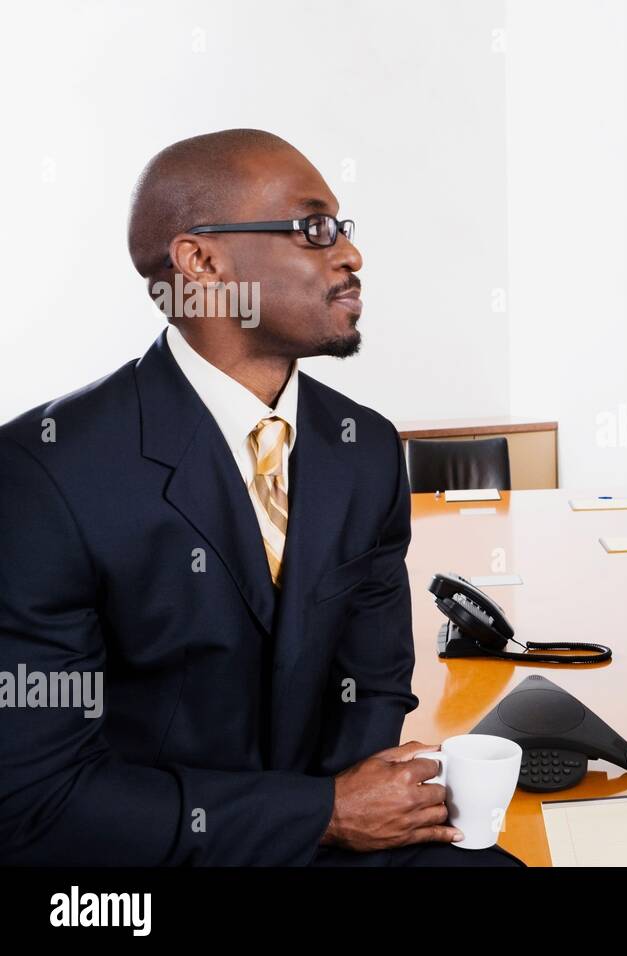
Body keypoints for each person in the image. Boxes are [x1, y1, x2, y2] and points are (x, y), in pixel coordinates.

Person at [0, 129, 519, 866]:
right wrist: (321, 816)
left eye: (343, 227)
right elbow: (41, 802)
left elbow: (372, 682)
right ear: (203, 262)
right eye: (313, 228)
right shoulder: (42, 475)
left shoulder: (364, 447)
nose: (350, 254)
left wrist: (355, 809)